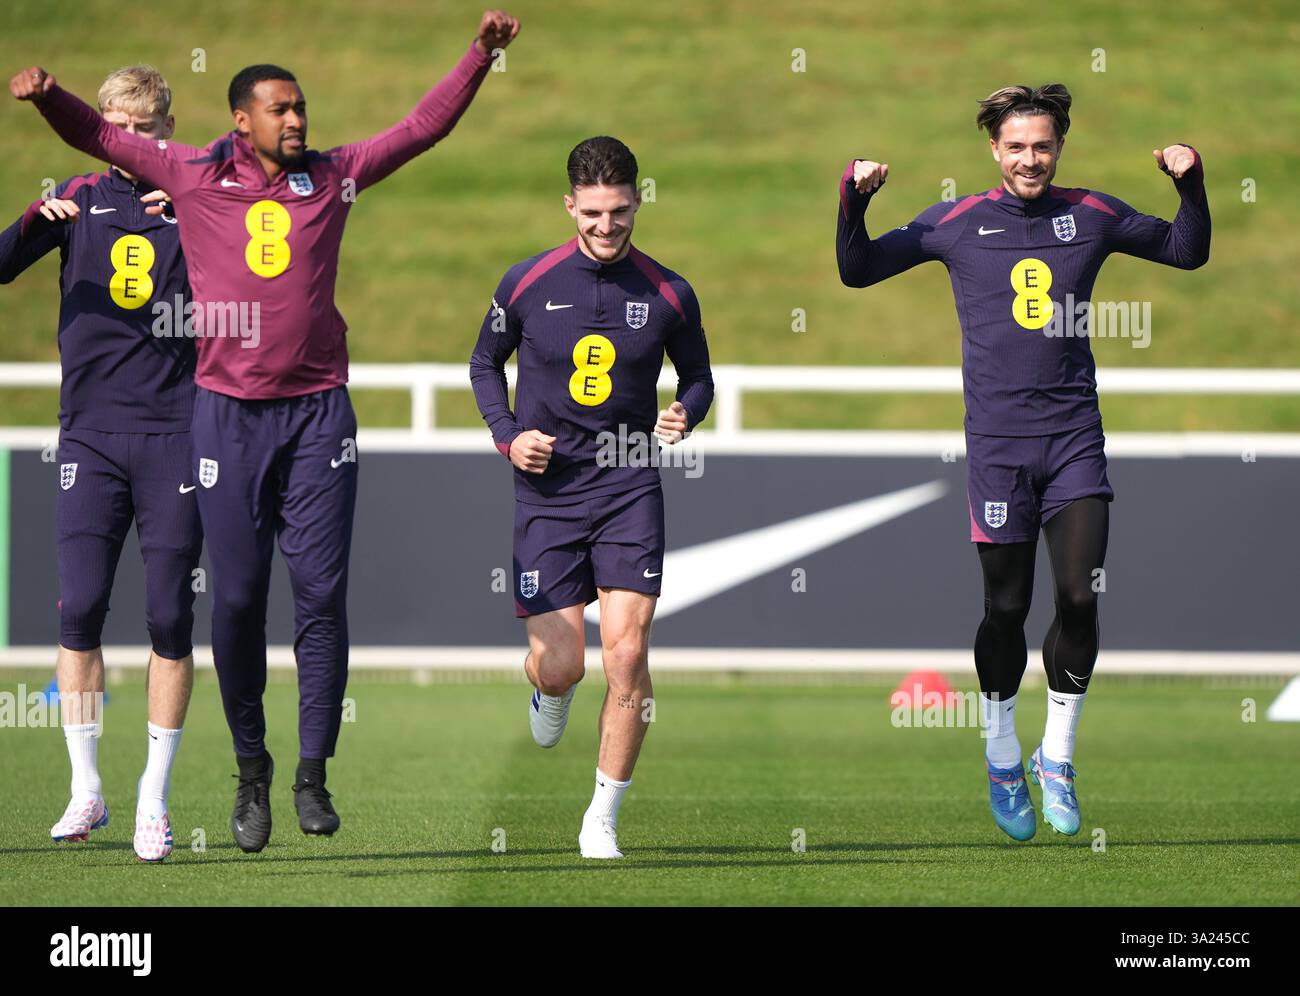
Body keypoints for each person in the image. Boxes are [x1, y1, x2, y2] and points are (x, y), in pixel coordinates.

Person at [11, 8, 521, 853]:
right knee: (238, 603)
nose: (298, 120)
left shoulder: (337, 175)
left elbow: (421, 129)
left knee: (321, 597)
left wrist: (479, 56)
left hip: (320, 414)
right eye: (280, 110)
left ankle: (312, 773)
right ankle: (250, 770)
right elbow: (102, 134)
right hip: (224, 416)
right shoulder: (191, 173)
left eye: (302, 107)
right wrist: (46, 96)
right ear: (241, 120)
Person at [836, 83, 1210, 840]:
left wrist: (1191, 181)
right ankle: (1002, 749)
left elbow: (1185, 249)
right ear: (994, 150)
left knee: (1079, 597)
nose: (1029, 159)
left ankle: (1058, 755)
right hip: (999, 453)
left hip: (1074, 440)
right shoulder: (956, 223)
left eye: (1042, 145)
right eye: (1015, 146)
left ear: (1060, 146)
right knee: (1005, 610)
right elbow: (858, 269)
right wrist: (853, 199)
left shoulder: (1094, 214)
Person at [470, 136, 713, 858]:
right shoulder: (525, 281)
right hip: (547, 492)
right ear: (569, 204)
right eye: (594, 213)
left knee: (628, 655)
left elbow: (700, 378)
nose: (607, 227)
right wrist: (508, 435)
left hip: (629, 486)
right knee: (565, 664)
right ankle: (550, 689)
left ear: (639, 201)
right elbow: (485, 362)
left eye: (621, 212)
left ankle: (601, 817)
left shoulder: (669, 291)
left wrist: (685, 412)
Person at [0, 64, 200, 862]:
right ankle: (87, 790)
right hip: (88, 433)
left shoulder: (197, 194)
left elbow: (263, 279)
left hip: (176, 431)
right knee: (78, 608)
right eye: (115, 129)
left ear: (166, 129)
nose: (130, 146)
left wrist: (196, 212)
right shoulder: (78, 198)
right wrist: (28, 223)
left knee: (167, 618)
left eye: (145, 131)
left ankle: (155, 795)